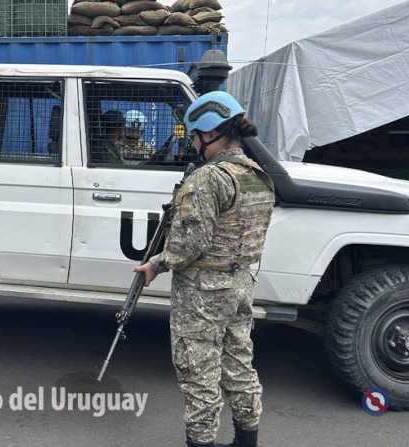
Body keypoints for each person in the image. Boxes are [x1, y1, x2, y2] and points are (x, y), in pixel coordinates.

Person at [132, 91, 275, 447]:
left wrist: (156, 264)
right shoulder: (257, 174)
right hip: (240, 283)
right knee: (239, 365)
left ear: (211, 133)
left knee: (199, 375)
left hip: (203, 295)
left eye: (194, 135)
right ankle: (246, 441)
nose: (193, 143)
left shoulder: (208, 179)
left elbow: (188, 246)